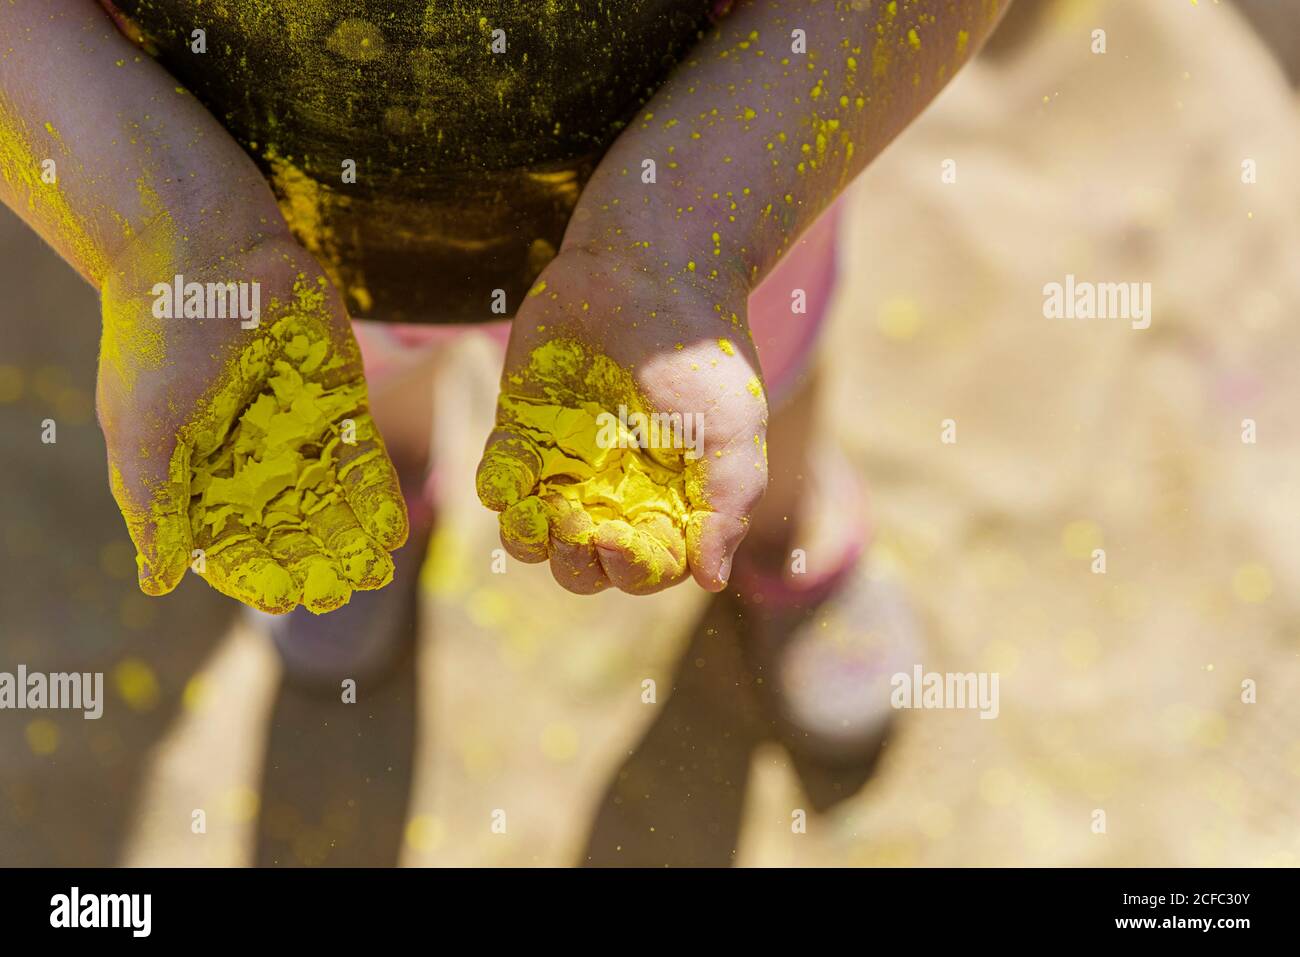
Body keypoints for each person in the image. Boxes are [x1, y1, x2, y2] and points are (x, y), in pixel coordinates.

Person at [0, 0, 1009, 760]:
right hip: (269, 241)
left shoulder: (708, 231)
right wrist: (157, 241)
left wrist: (695, 231)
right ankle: (367, 508)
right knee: (337, 395)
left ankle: (786, 537)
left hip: (722, 205)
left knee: (759, 398)